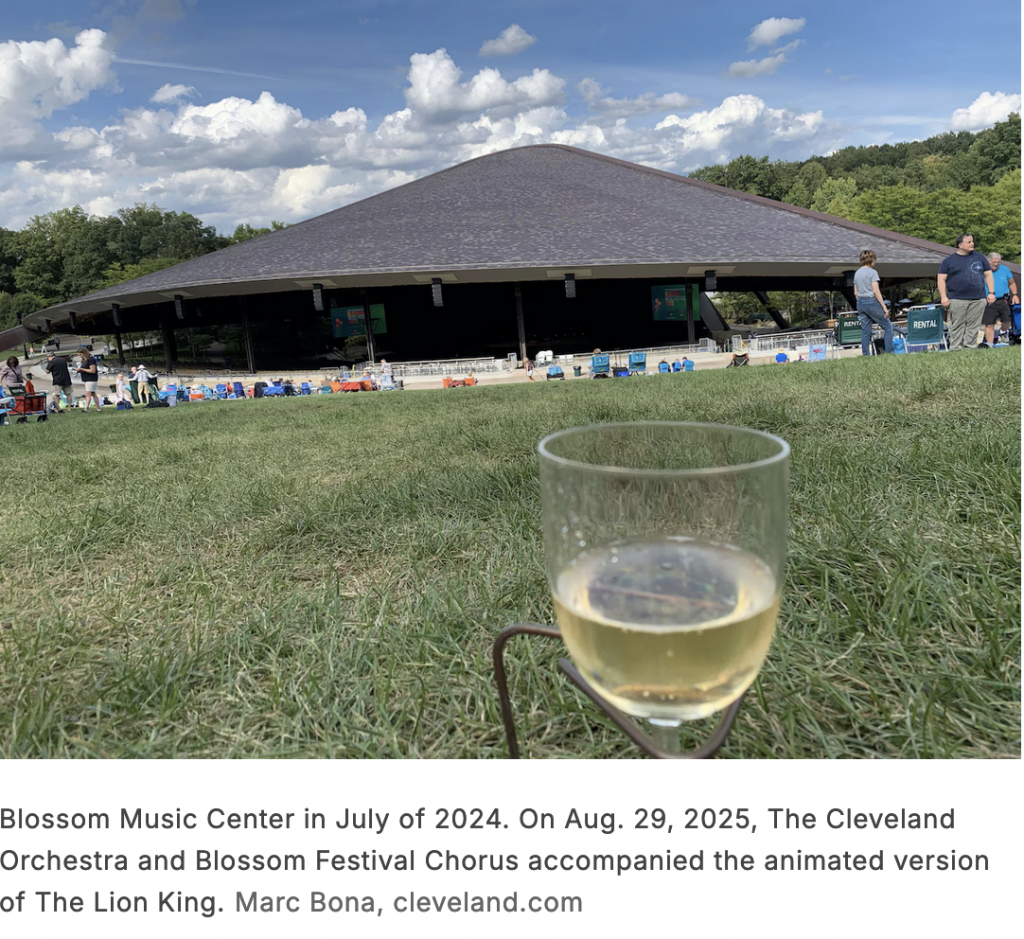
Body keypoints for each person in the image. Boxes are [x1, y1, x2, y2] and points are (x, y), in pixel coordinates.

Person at [937, 234, 995, 351]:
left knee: (974, 325)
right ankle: (956, 348)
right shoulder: (949, 261)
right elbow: (941, 279)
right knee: (957, 324)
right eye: (969, 242)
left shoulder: (980, 257)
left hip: (978, 298)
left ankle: (970, 348)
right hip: (957, 298)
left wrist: (991, 293)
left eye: (972, 241)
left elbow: (988, 275)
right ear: (960, 245)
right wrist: (943, 296)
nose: (972, 244)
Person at [854, 250, 894, 356]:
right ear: (871, 259)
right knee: (888, 327)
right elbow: (876, 291)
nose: (875, 261)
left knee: (865, 331)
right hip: (871, 301)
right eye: (874, 259)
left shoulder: (857, 273)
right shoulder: (872, 272)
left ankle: (866, 355)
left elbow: (855, 292)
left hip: (860, 302)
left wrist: (860, 302)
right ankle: (889, 353)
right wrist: (884, 308)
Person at [983, 252, 1019, 346]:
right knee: (989, 323)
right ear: (988, 262)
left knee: (1007, 320)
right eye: (994, 262)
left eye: (998, 262)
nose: (996, 264)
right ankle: (990, 344)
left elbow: (1012, 283)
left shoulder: (1005, 269)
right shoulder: (984, 270)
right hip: (989, 300)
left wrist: (1015, 295)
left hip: (1003, 299)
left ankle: (1002, 332)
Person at [75, 346, 102, 411]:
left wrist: (82, 369)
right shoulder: (85, 360)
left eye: (80, 354)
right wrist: (80, 370)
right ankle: (98, 408)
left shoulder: (91, 359)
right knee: (93, 393)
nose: (80, 356)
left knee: (88, 394)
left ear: (84, 353)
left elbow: (92, 370)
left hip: (91, 379)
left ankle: (86, 408)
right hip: (87, 379)